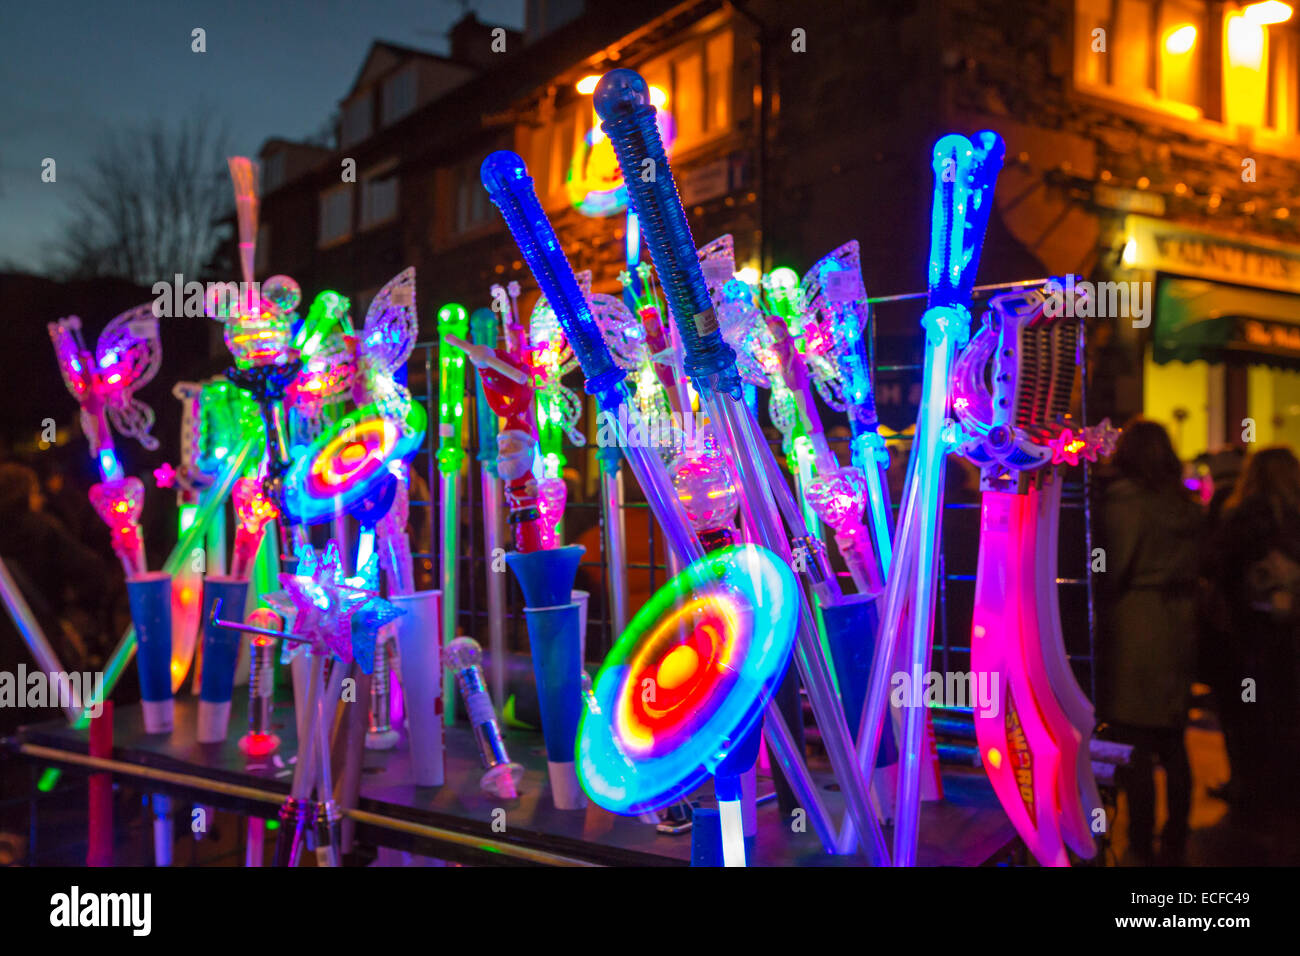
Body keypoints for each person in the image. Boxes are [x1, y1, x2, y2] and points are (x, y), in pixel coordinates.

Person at [1100, 420, 1203, 865]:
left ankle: (1140, 844)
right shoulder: (1185, 504)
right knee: (1173, 740)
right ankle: (1176, 838)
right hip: (1179, 623)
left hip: (1137, 626)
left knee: (1135, 743)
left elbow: (1113, 566)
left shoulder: (1125, 503)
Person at [1204, 446, 1300, 840]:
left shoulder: (1242, 515)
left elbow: (1217, 566)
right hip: (1293, 629)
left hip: (1250, 632)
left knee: (1249, 709)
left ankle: (1251, 787)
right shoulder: (1294, 516)